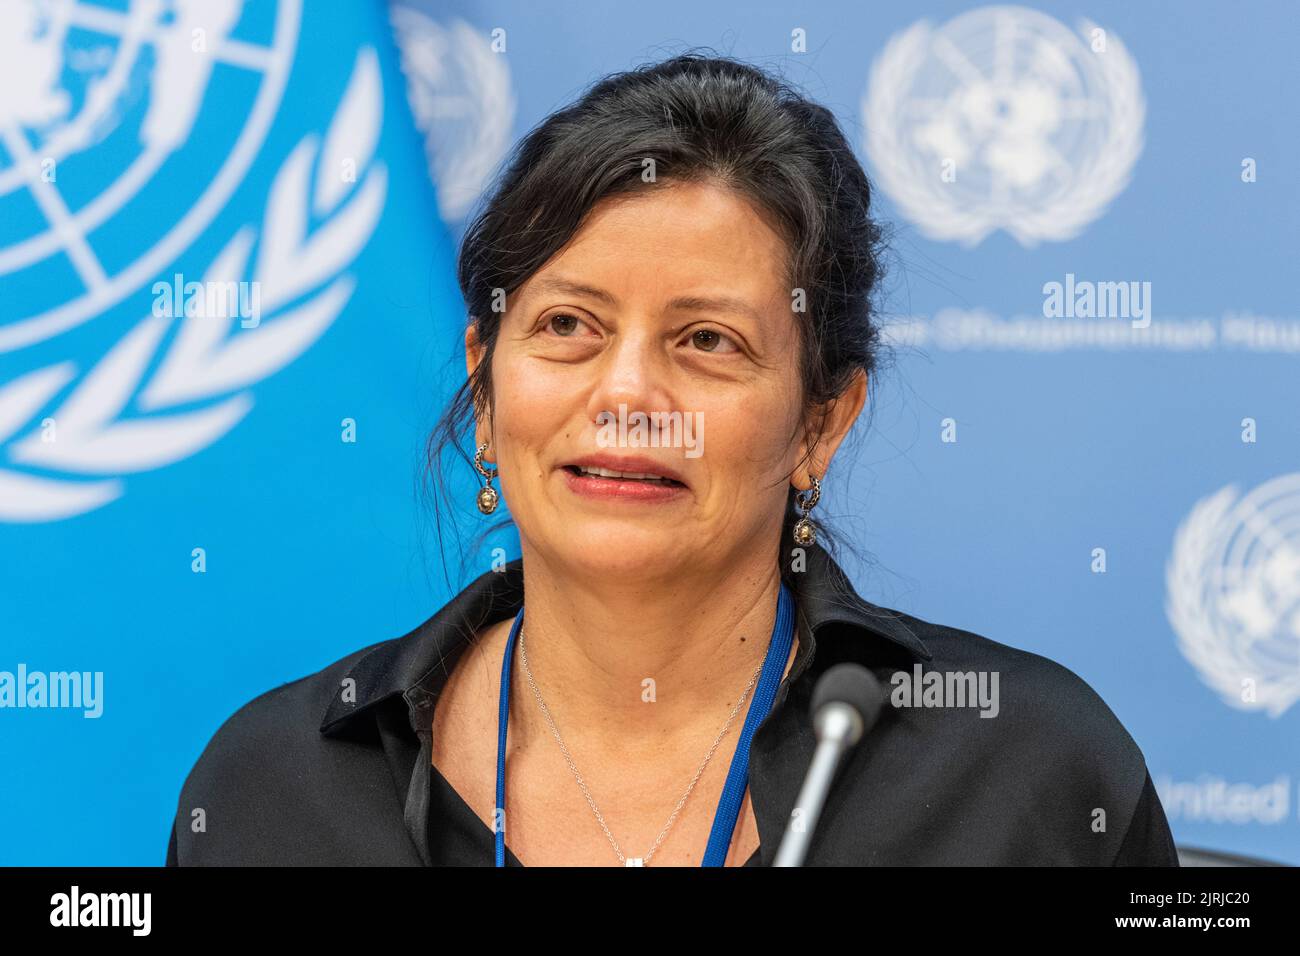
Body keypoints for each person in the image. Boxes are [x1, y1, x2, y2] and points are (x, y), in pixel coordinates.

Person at [167, 52, 1178, 867]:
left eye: (707, 341)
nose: (626, 397)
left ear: (821, 422)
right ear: (484, 387)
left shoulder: (1027, 769)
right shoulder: (276, 784)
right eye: (568, 325)